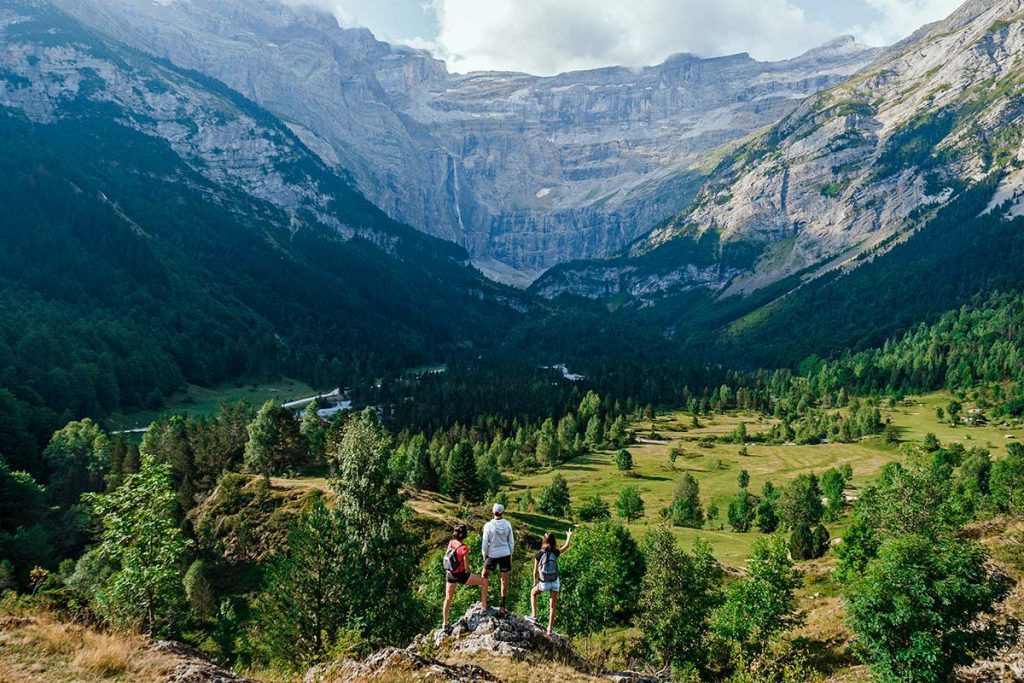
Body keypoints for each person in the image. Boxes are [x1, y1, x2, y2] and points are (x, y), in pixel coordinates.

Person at [442, 524, 488, 631]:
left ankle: (445, 623)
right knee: (484, 582)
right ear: (465, 535)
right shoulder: (464, 548)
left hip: (450, 574)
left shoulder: (451, 543)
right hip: (461, 575)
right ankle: (484, 607)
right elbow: (466, 567)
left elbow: (447, 558)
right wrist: (471, 573)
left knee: (448, 598)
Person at [530, 529, 572, 635]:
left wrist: (535, 582)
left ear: (544, 541)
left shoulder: (539, 553)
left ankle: (534, 616)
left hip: (544, 582)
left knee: (533, 593)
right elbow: (566, 547)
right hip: (555, 581)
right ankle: (550, 629)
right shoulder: (555, 552)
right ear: (554, 541)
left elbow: (535, 571)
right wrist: (568, 536)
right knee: (552, 606)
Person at [482, 503, 515, 611]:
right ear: (502, 512)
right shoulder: (507, 524)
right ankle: (502, 605)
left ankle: (484, 601)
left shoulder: (488, 525)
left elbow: (485, 543)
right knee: (504, 580)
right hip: (505, 553)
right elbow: (511, 542)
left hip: (492, 554)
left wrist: (485, 555)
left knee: (484, 575)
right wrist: (510, 554)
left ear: (493, 512)